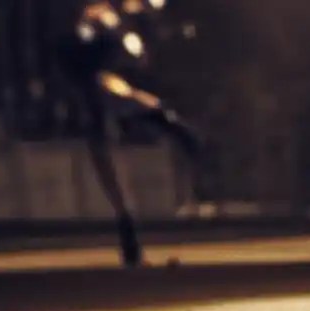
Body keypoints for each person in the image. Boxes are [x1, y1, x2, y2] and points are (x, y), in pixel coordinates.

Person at [55, 0, 202, 267]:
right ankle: (129, 233)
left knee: (111, 146)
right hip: (85, 86)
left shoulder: (128, 23)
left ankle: (129, 236)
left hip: (101, 84)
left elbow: (131, 61)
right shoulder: (96, 19)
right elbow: (78, 49)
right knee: (106, 153)